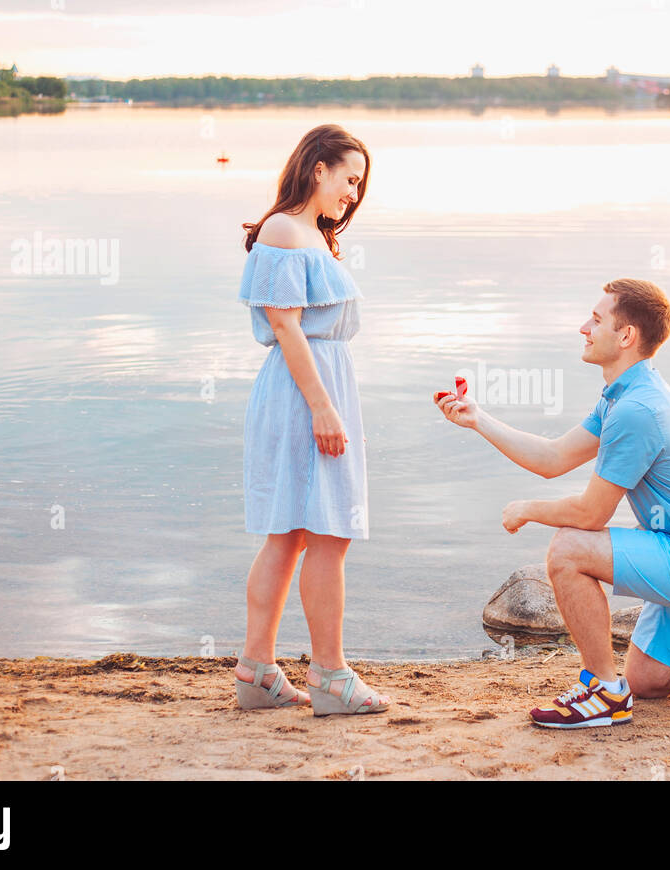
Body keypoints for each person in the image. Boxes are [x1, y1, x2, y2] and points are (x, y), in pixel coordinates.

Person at [434, 278, 670, 728]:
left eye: (596, 319)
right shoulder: (624, 395)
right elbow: (554, 457)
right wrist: (478, 420)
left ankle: (602, 690)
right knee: (649, 679)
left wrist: (528, 510)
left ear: (626, 336)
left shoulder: (639, 410)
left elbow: (590, 516)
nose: (584, 327)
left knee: (569, 549)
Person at [232, 124, 390, 716]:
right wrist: (324, 408)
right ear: (316, 167)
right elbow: (285, 325)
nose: (353, 193)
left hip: (317, 390)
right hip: (303, 394)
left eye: (360, 184)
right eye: (349, 178)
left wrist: (339, 409)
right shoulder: (284, 230)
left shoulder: (313, 237)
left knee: (299, 533)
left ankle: (258, 672)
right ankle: (329, 675)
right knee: (324, 532)